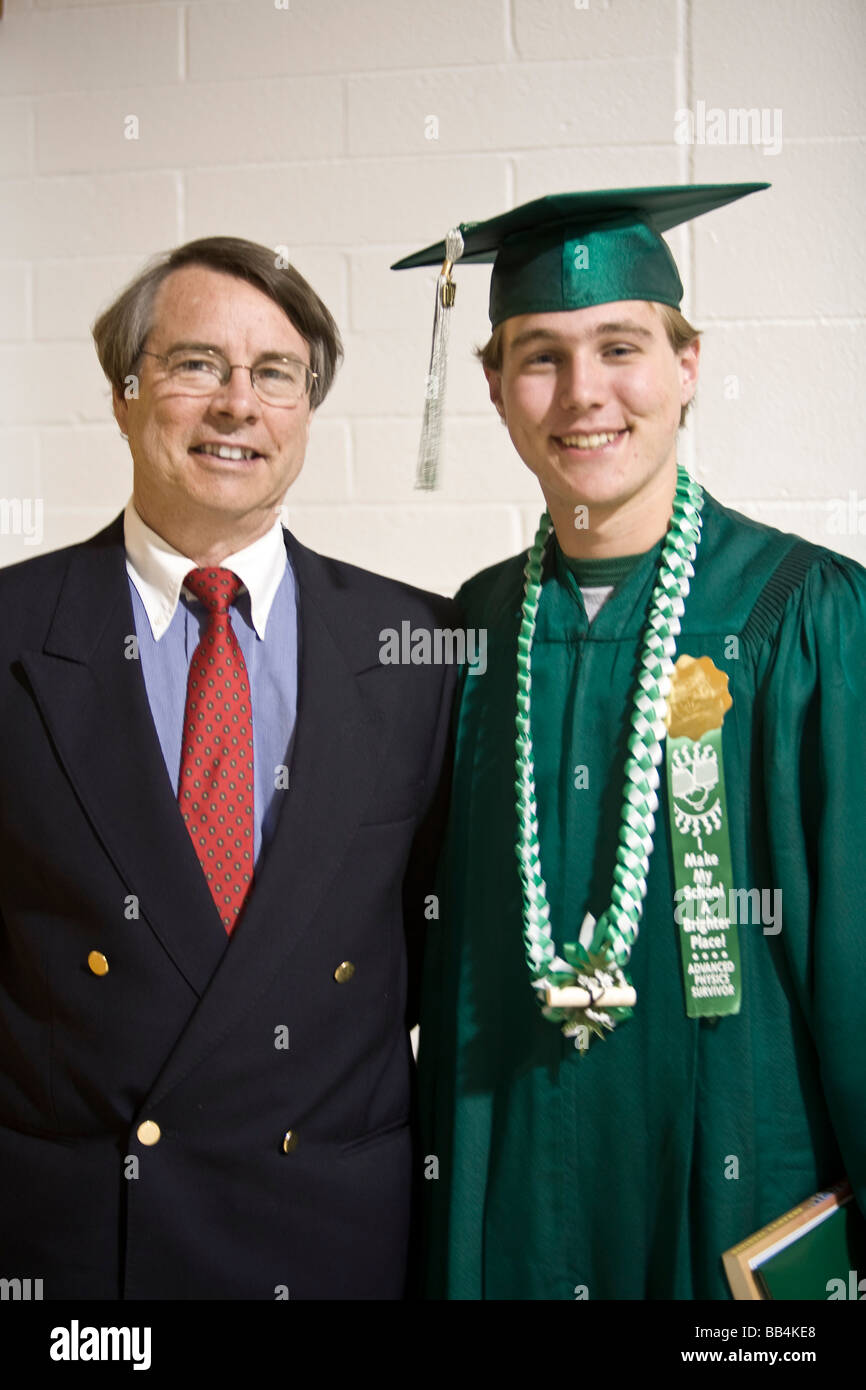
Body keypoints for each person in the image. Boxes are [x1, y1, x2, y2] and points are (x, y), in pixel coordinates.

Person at [393, 186, 866, 1299]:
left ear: (687, 365)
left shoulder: (803, 617)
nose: (582, 393)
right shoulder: (469, 626)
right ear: (497, 391)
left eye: (619, 346)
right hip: (502, 1184)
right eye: (539, 357)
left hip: (728, 1190)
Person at [0, 236, 456, 1300]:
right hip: (77, 1253)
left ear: (305, 409)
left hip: (329, 1238)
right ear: (122, 395)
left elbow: (437, 951)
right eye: (194, 364)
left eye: (274, 375)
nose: (235, 405)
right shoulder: (13, 635)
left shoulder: (418, 648)